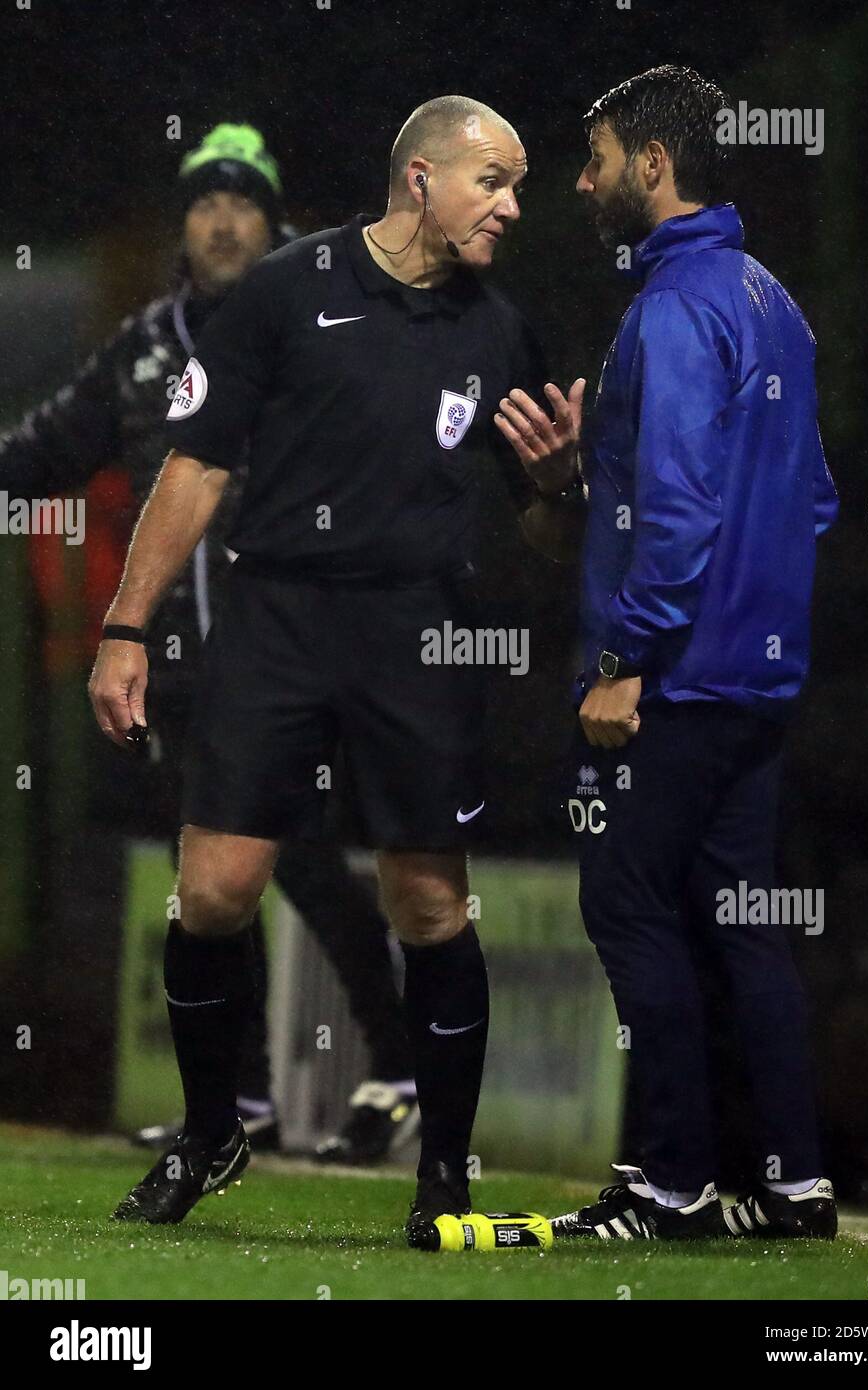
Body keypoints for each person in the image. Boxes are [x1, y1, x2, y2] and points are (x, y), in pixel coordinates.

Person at [88, 96, 583, 1243]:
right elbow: (197, 465)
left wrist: (561, 485)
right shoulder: (286, 290)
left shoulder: (502, 329)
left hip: (418, 632)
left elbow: (548, 536)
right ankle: (215, 1130)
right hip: (276, 618)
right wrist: (126, 628)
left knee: (427, 903)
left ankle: (442, 1176)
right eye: (493, 183)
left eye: (515, 186)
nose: (512, 207)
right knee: (212, 891)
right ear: (420, 179)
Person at [0, 122, 419, 1162]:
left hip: (285, 654)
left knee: (303, 862)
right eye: (203, 201)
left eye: (242, 200)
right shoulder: (144, 345)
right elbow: (47, 448)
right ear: (182, 227)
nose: (223, 218)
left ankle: (399, 1062)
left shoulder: (314, 330)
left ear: (274, 221)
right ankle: (245, 1099)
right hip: (176, 669)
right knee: (220, 882)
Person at [495, 66, 839, 1241]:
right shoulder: (772, 301)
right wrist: (603, 481)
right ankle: (794, 1183)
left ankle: (668, 1185)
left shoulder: (677, 306)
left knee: (628, 899)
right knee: (740, 920)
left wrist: (626, 657)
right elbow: (816, 500)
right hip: (758, 680)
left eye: (594, 157)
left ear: (653, 162)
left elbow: (684, 513)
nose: (582, 180)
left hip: (679, 679)